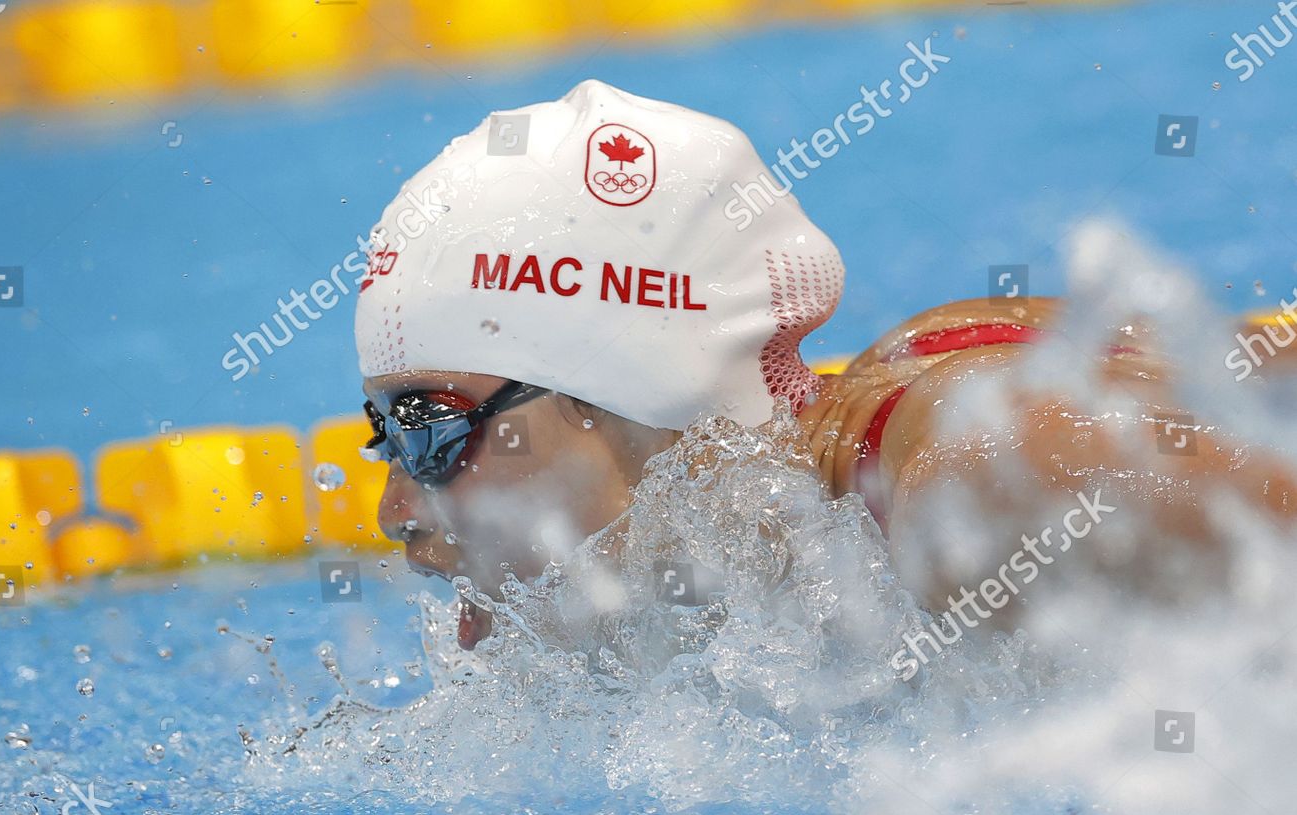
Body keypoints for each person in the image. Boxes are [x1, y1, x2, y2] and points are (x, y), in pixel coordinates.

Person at [354, 80, 1294, 649]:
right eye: (383, 440)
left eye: (431, 431)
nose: (396, 512)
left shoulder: (976, 488)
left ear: (617, 390)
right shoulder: (915, 396)